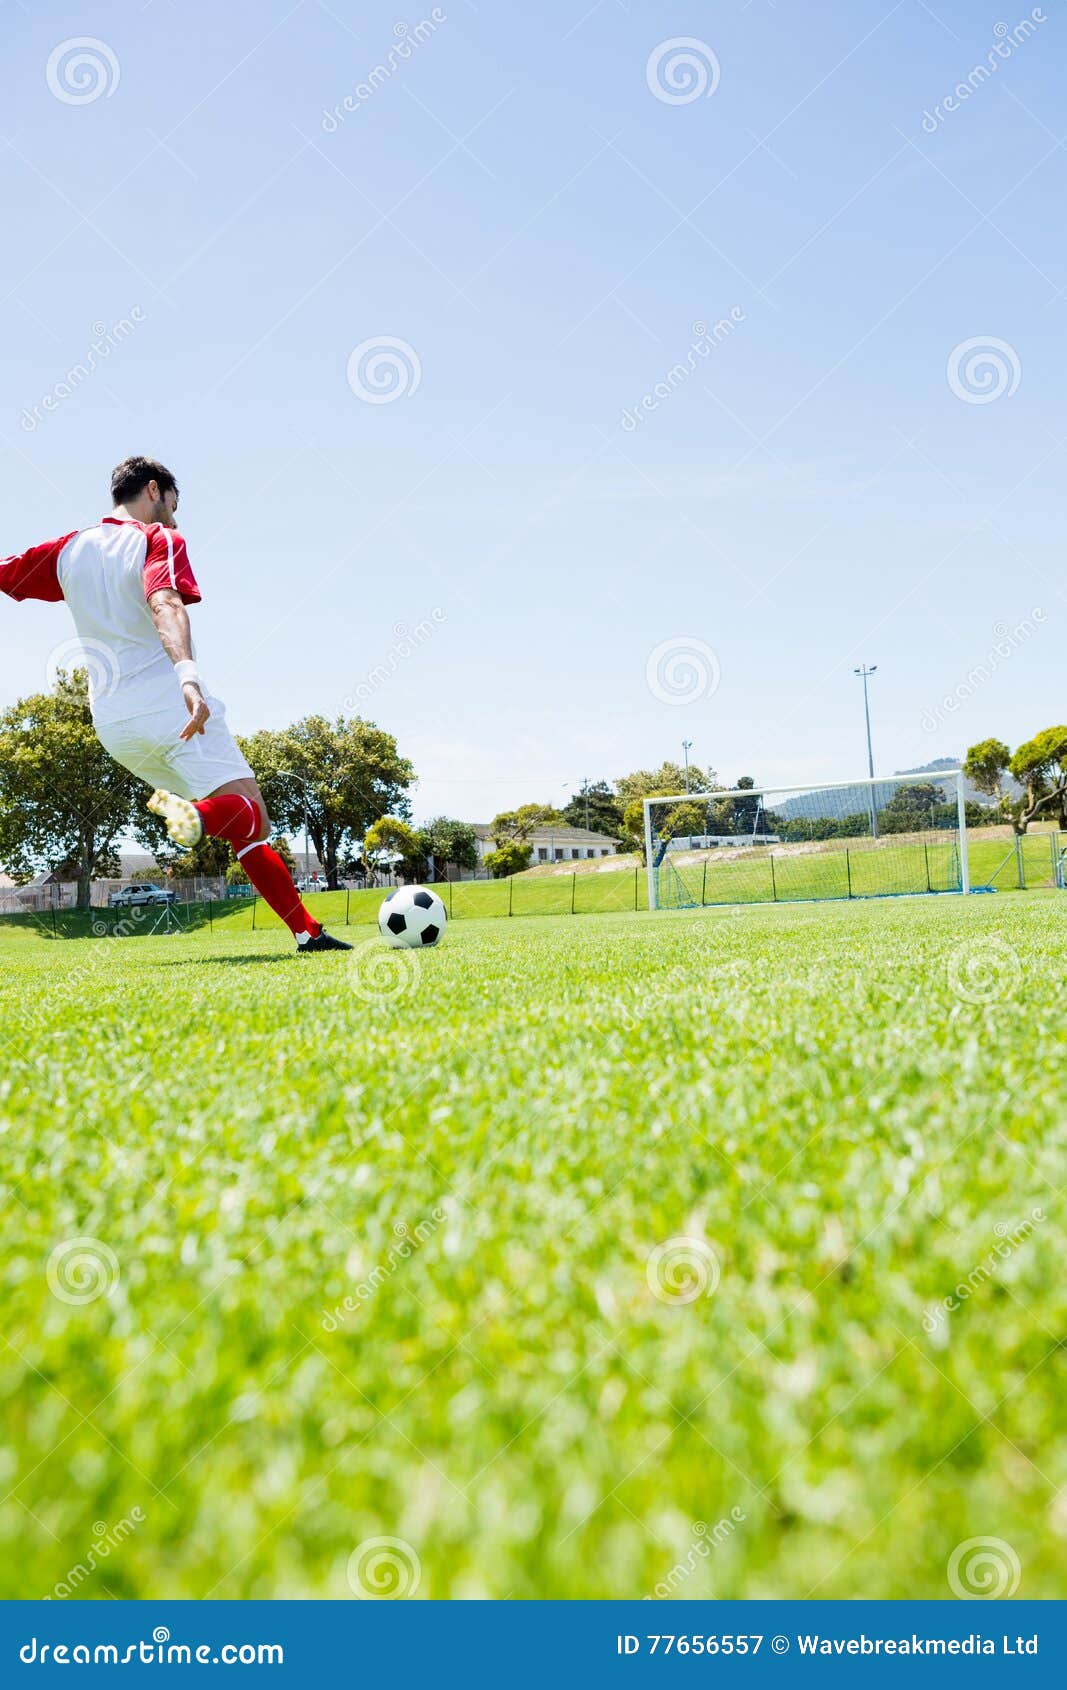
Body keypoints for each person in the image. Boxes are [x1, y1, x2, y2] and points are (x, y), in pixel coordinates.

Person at [0, 455, 350, 954]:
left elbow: (6, 574)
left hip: (113, 726)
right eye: (172, 505)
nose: (175, 519)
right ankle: (200, 816)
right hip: (170, 706)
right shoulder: (155, 540)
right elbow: (165, 601)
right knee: (252, 812)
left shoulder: (67, 550)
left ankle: (307, 932)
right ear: (152, 490)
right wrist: (188, 676)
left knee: (247, 823)